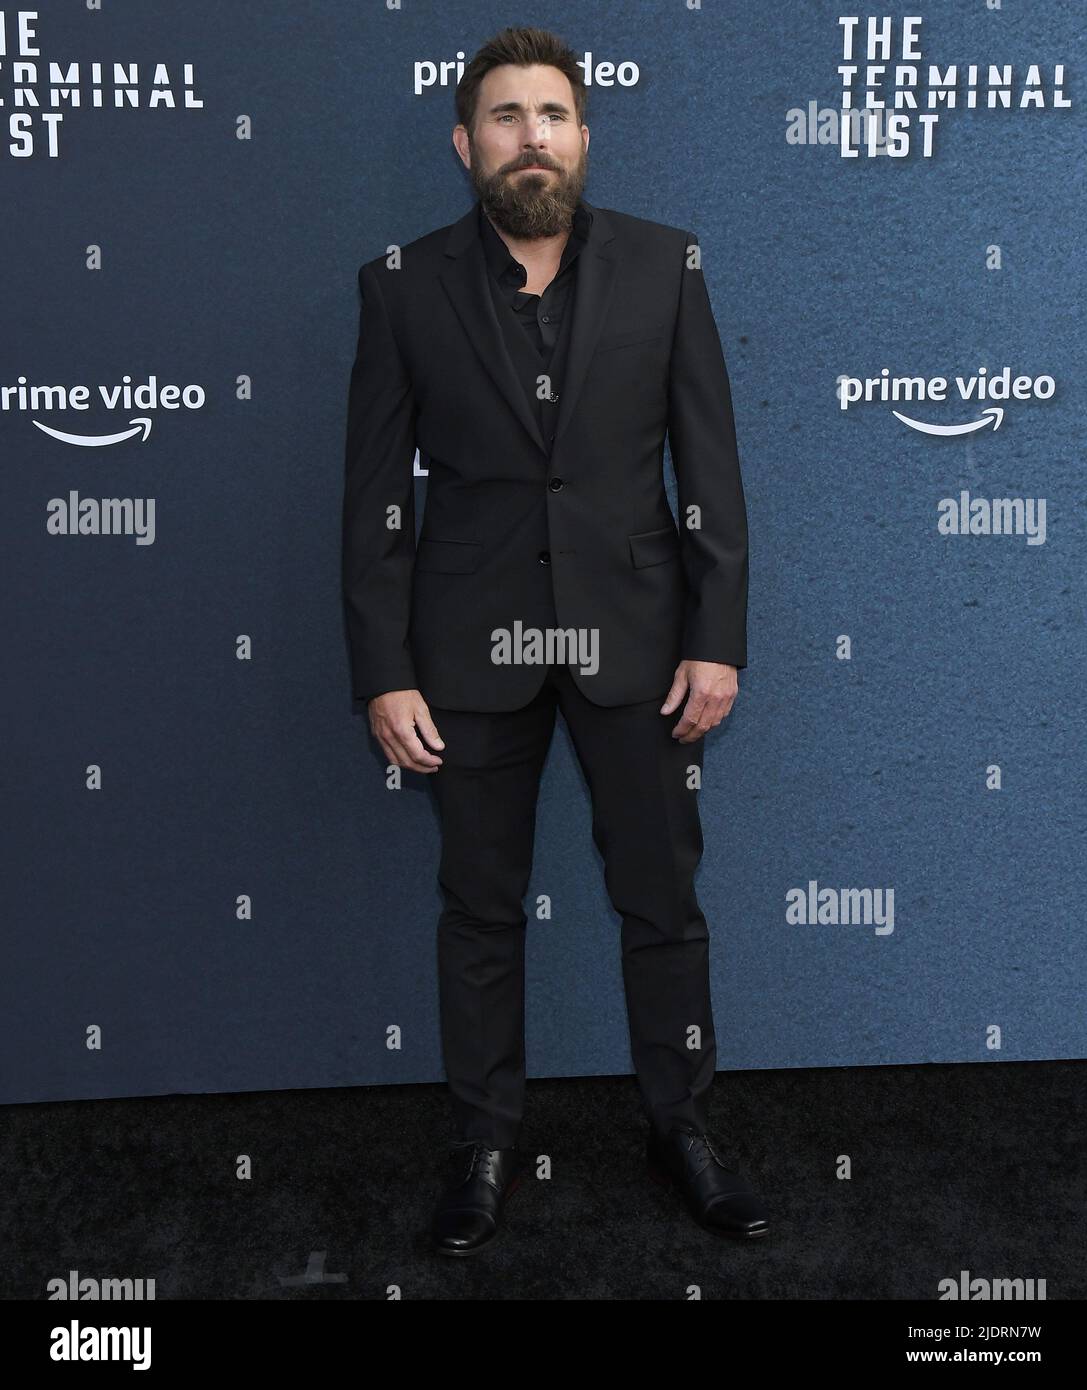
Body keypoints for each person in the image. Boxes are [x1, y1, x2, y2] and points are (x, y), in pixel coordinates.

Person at [341, 25, 769, 1255]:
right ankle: (480, 1140)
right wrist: (384, 666)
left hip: (637, 641)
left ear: (585, 134)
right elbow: (375, 496)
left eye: (551, 114)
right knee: (478, 907)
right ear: (463, 142)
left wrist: (715, 635)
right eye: (504, 115)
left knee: (662, 902)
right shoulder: (399, 285)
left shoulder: (665, 267)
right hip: (464, 653)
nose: (530, 135)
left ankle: (681, 1125)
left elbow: (711, 470)